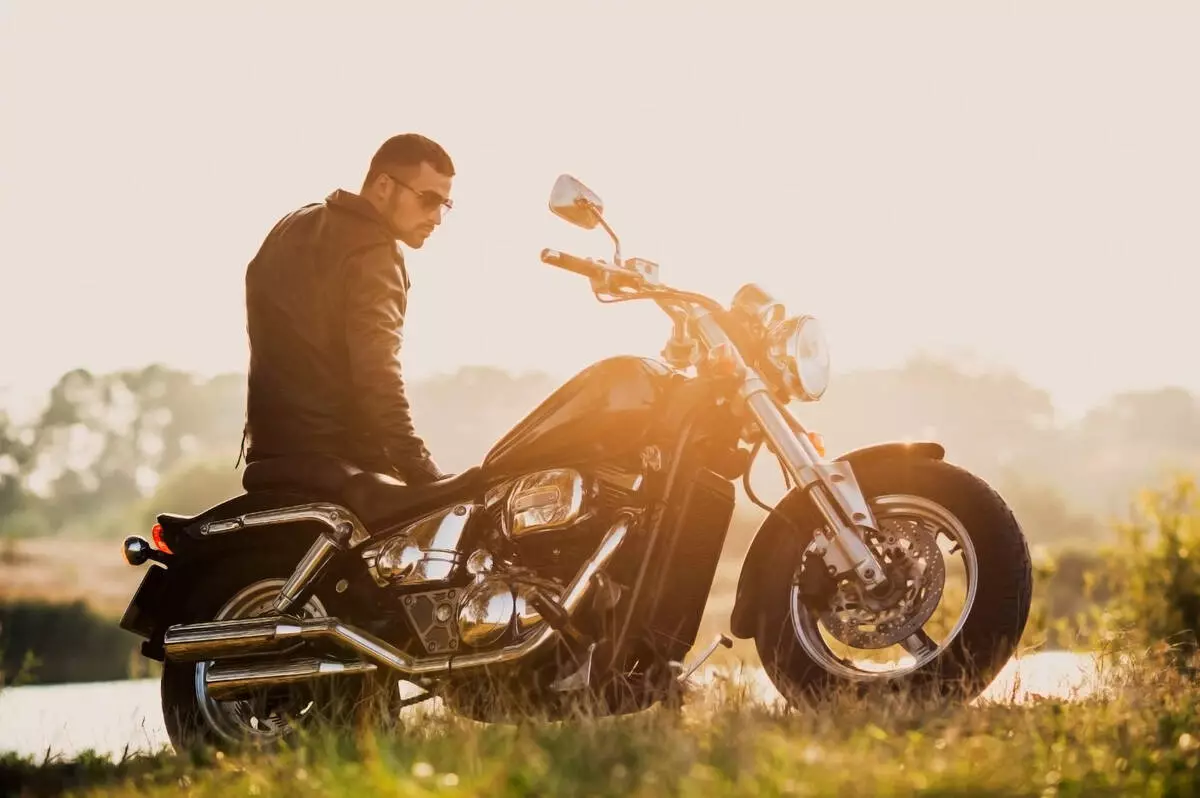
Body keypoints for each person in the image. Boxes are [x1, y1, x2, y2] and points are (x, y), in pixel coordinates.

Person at [239, 133, 454, 486]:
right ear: (384, 185)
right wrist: (416, 465)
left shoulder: (290, 226)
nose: (437, 218)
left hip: (270, 456)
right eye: (428, 200)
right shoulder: (373, 249)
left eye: (445, 205)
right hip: (344, 460)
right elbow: (377, 370)